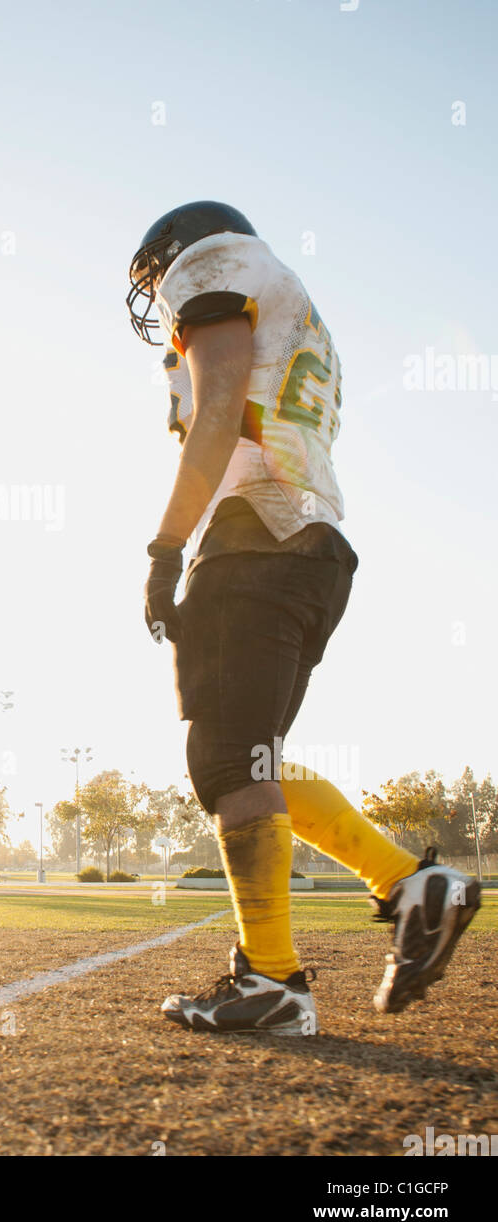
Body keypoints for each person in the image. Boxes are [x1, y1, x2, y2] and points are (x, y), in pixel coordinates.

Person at [127, 201, 480, 1034]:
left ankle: (276, 982)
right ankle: (406, 885)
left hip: (255, 539)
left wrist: (165, 547)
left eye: (153, 271)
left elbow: (215, 415)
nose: (156, 291)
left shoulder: (214, 263)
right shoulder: (294, 306)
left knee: (227, 766)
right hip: (312, 547)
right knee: (249, 763)